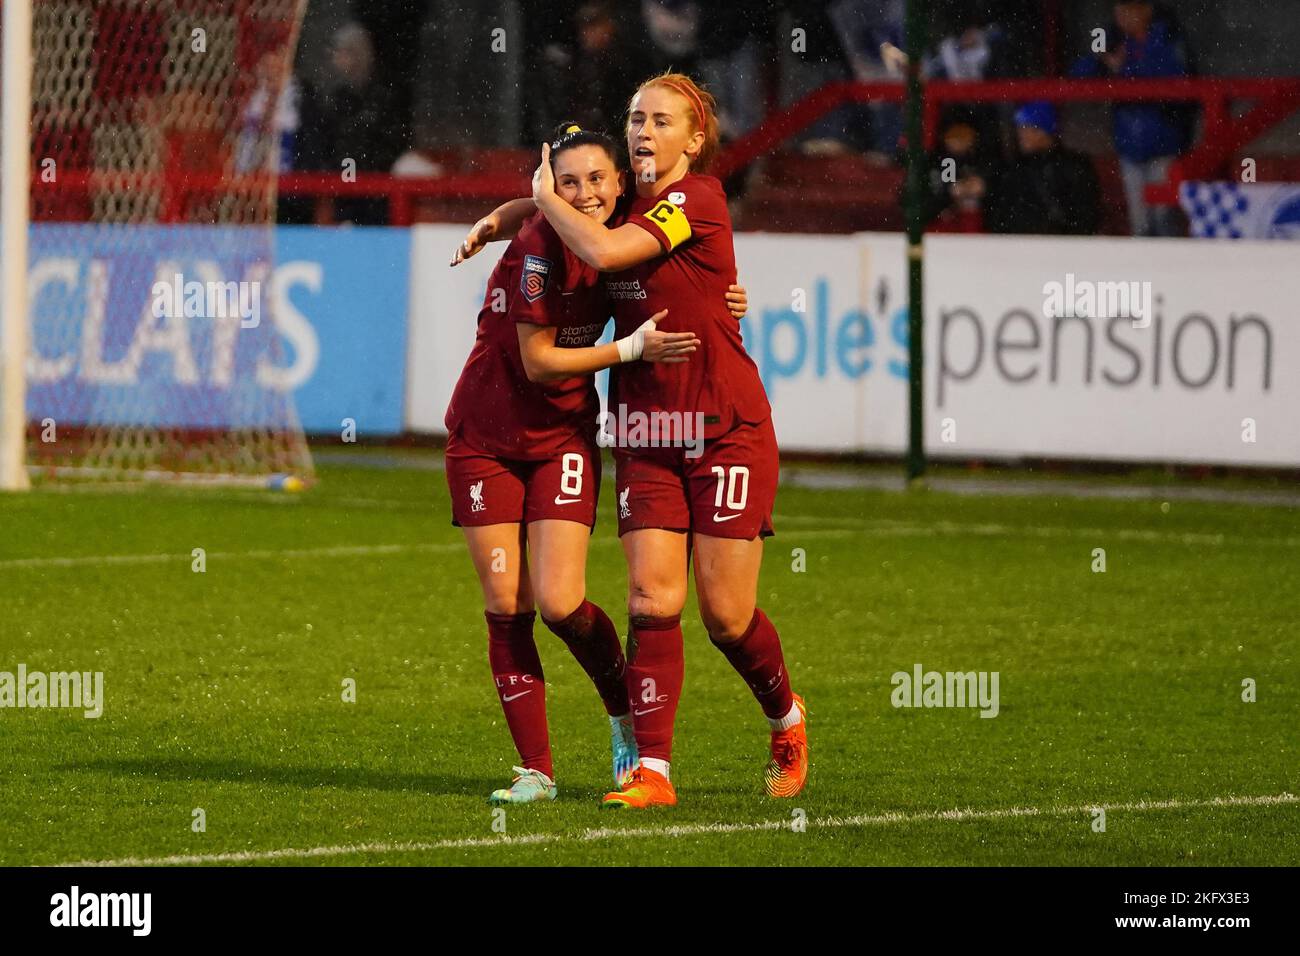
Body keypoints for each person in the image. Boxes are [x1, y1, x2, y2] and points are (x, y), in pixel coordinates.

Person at [447, 123, 751, 804]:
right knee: (507, 603)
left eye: (596, 180)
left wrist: (733, 294)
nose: (583, 194)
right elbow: (536, 360)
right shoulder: (536, 248)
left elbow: (691, 270)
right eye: (568, 182)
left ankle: (623, 711)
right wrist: (628, 352)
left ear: (620, 186)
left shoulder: (625, 234)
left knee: (559, 604)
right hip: (484, 440)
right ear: (548, 186)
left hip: (561, 439)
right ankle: (536, 773)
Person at [529, 73, 808, 808]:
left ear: (694, 139)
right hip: (649, 432)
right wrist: (510, 215)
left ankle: (786, 717)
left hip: (727, 432)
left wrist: (547, 198)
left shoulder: (698, 198)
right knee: (653, 597)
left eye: (661, 121)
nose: (644, 131)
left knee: (726, 617)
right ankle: (652, 772)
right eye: (634, 119)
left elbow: (607, 250)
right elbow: (564, 222)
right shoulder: (614, 206)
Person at [1071, 0, 1195, 236]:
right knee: (1141, 226)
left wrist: (1125, 70)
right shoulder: (1112, 38)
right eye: (1119, 10)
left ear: (1145, 10)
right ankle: (1145, 272)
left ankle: (1173, 271)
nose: (1122, 16)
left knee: (1164, 220)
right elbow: (1079, 75)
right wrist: (1101, 58)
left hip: (1163, 144)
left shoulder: (1167, 36)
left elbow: (1174, 79)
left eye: (1129, 9)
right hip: (1130, 147)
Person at [986, 101, 1101, 236]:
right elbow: (1001, 215)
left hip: (1066, 246)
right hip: (1020, 246)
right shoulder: (1013, 169)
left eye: (1029, 129)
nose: (1022, 135)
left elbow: (1086, 214)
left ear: (1045, 131)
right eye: (1020, 129)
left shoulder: (1074, 166)